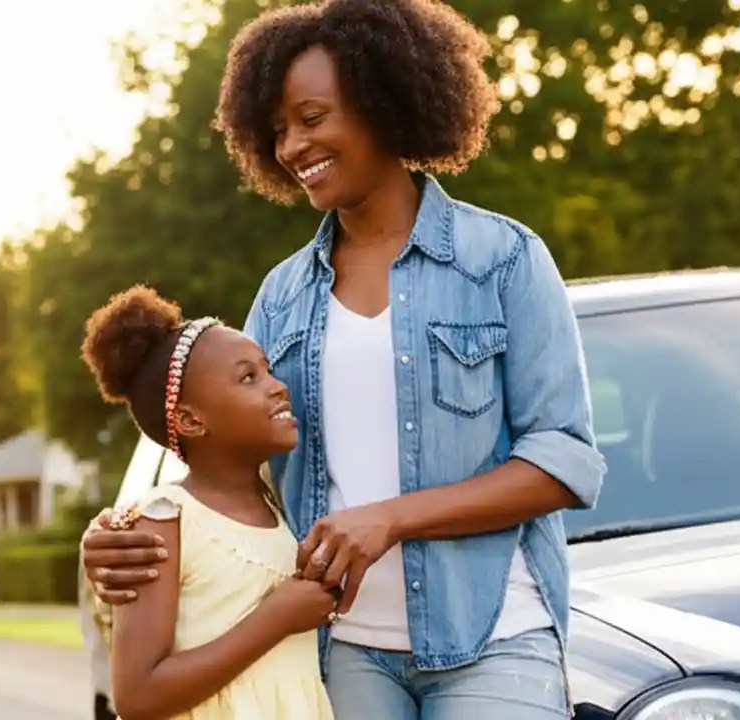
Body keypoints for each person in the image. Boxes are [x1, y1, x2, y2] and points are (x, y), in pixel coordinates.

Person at [82, 1, 606, 718]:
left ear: (383, 102)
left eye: (312, 117)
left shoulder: (505, 260)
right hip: (338, 648)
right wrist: (122, 532)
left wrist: (389, 518)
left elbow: (564, 460)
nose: (293, 147)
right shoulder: (282, 297)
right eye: (277, 132)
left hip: (495, 633)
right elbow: (224, 460)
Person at [79, 285, 337, 720]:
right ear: (190, 420)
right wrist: (275, 619)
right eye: (248, 377)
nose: (278, 387)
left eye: (268, 370)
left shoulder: (284, 510)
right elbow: (137, 696)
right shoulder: (164, 521)